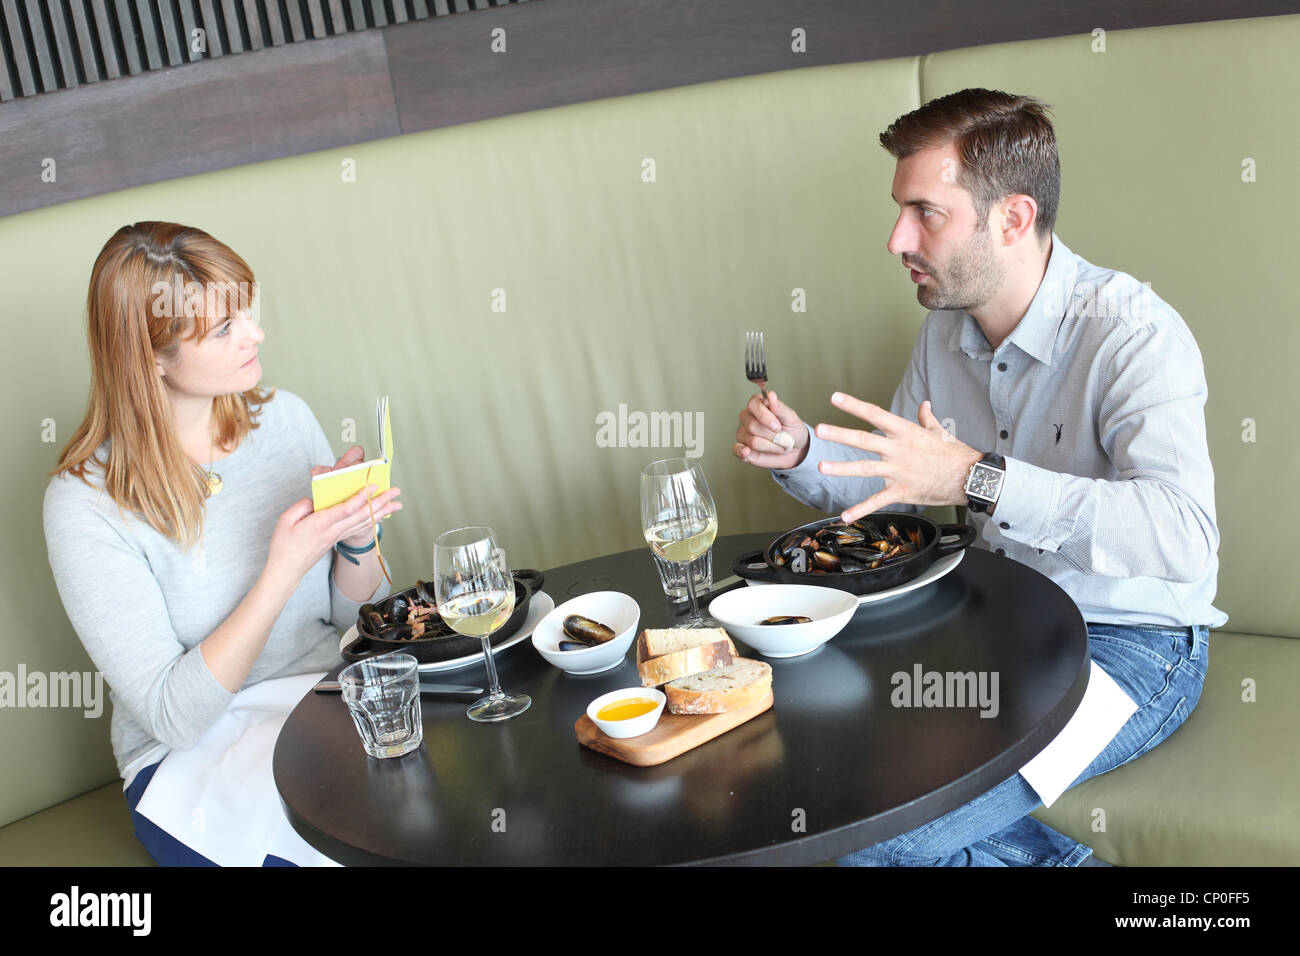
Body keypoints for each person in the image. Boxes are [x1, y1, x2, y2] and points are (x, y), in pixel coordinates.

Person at [733, 89, 1225, 866]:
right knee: (807, 788)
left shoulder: (1132, 334)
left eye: (926, 212)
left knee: (876, 847)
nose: (897, 237)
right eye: (900, 209)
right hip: (990, 626)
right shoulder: (944, 332)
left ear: (1014, 219)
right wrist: (799, 453)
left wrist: (981, 479)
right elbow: (899, 490)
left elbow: (1185, 540)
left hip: (1135, 646)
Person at [42, 221, 402, 866]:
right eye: (222, 329)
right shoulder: (84, 505)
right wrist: (280, 571)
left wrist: (354, 541)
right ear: (148, 356)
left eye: (247, 311)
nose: (255, 335)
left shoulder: (285, 418)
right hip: (192, 761)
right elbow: (172, 718)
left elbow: (359, 625)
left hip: (329, 703)